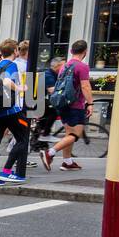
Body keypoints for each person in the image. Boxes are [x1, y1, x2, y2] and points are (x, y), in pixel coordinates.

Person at [0, 38, 31, 185]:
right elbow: (7, 81)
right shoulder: (12, 65)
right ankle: (6, 171)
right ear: (15, 51)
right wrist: (20, 88)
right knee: (23, 138)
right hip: (10, 111)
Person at [41, 39, 93, 172]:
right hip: (76, 105)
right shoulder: (82, 67)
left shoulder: (64, 66)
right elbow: (85, 86)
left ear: (71, 51)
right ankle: (50, 153)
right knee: (76, 134)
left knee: (69, 133)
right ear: (85, 52)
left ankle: (67, 162)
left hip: (63, 103)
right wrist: (90, 103)